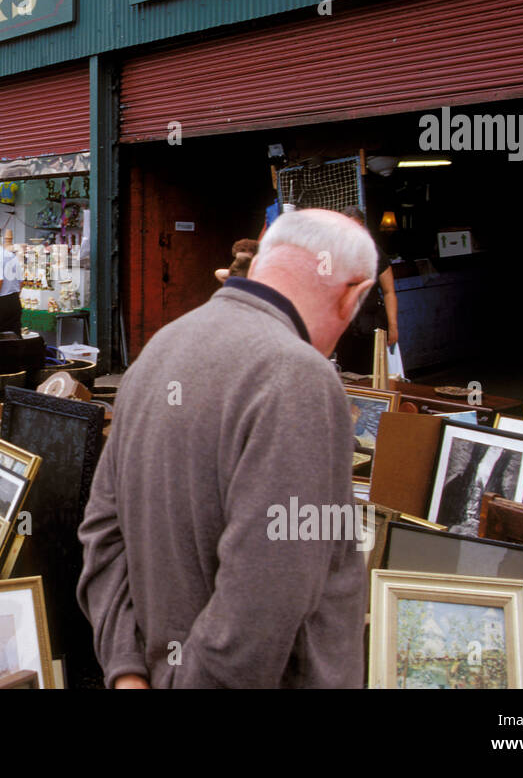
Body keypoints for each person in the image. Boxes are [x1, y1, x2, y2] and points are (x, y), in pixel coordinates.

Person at [77, 208, 376, 688]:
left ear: (262, 263)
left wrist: (126, 670)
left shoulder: (160, 347)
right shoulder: (299, 375)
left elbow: (101, 533)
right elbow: (264, 596)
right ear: (354, 295)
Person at [333, 205, 398, 376]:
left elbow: (389, 292)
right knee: (343, 377)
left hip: (371, 326)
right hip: (343, 328)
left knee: (371, 377)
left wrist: (393, 326)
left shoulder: (376, 254)